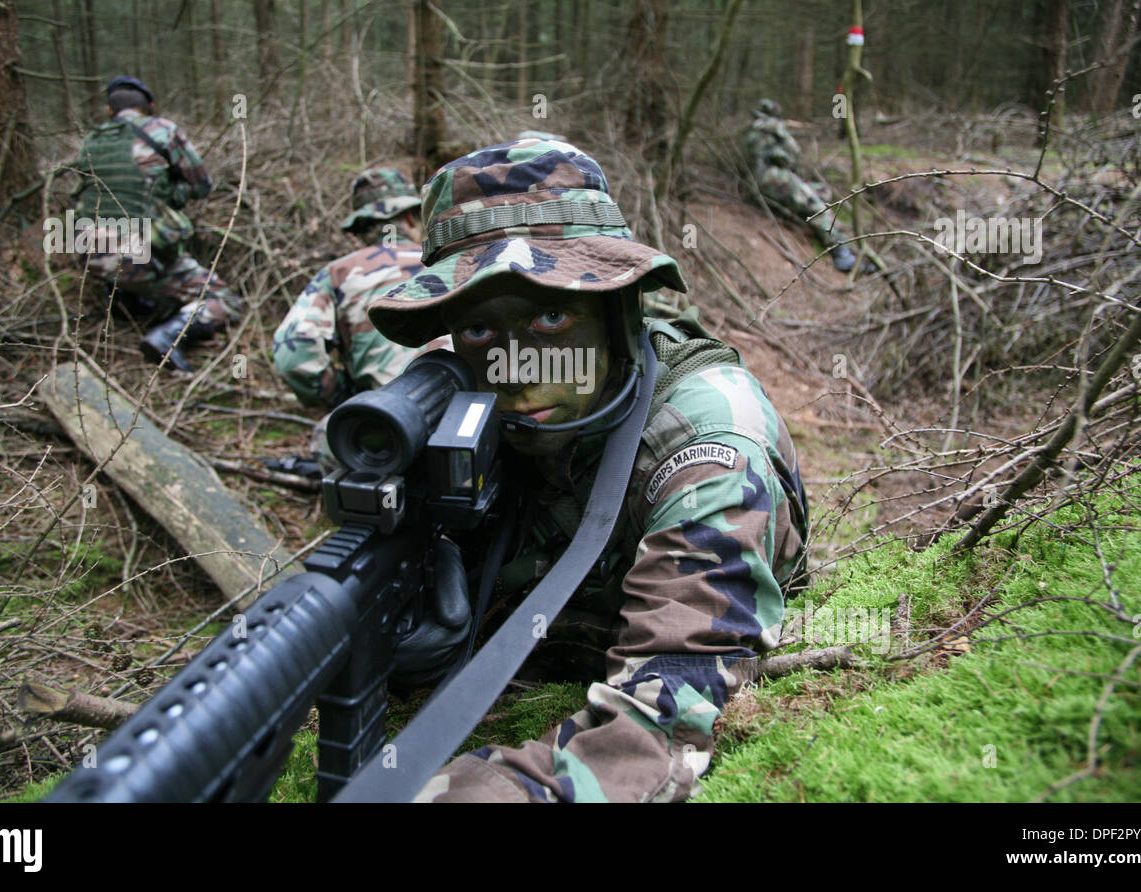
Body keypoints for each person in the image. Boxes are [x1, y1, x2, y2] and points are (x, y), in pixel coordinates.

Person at [368, 137, 809, 802]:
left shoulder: (707, 439)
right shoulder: (469, 418)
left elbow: (656, 734)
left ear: (619, 308)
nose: (517, 369)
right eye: (481, 330)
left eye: (551, 314)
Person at [271, 168, 451, 468]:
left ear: (360, 229)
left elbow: (293, 355)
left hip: (388, 430)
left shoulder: (339, 273)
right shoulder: (453, 260)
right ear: (411, 217)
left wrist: (341, 396)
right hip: (478, 419)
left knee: (328, 436)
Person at [70, 75, 242, 371]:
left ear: (110, 110)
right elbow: (202, 186)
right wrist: (169, 193)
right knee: (224, 299)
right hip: (140, 257)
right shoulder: (162, 130)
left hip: (90, 256)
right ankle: (167, 338)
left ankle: (126, 298)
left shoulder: (91, 141)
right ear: (149, 106)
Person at [746, 98, 870, 274]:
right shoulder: (773, 126)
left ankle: (834, 234)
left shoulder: (751, 129)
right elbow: (794, 154)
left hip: (758, 181)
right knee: (814, 204)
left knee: (819, 191)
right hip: (774, 177)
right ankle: (840, 251)